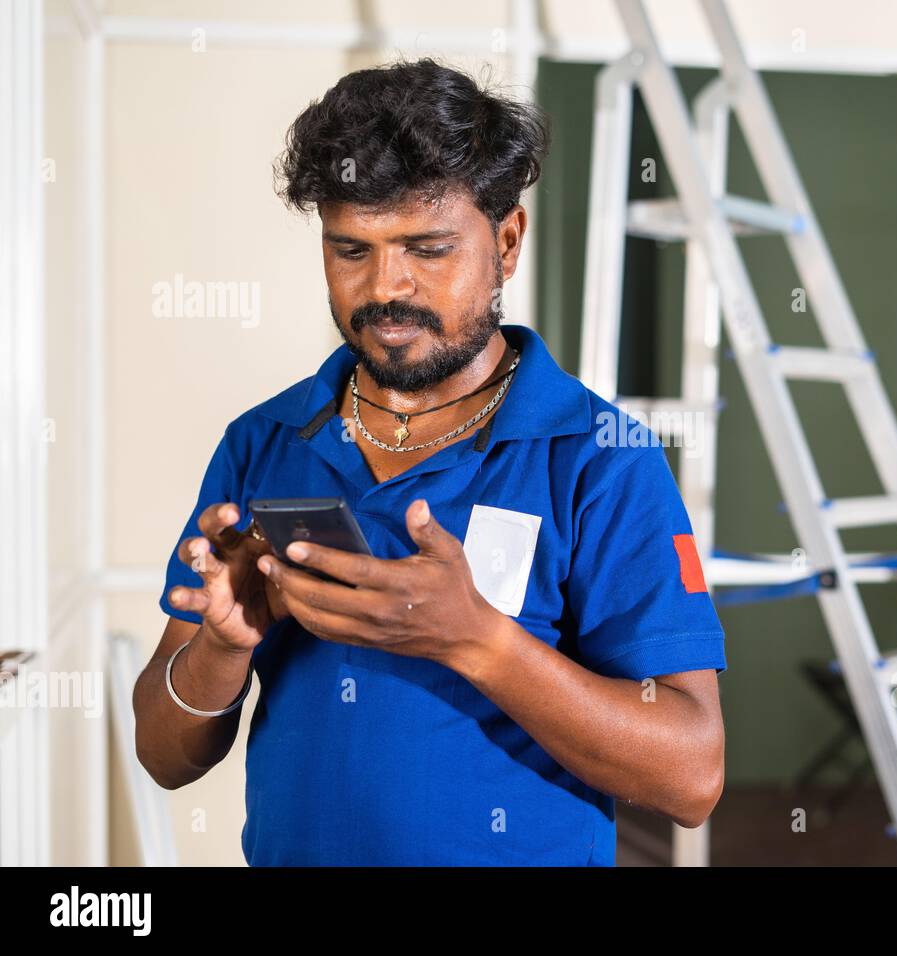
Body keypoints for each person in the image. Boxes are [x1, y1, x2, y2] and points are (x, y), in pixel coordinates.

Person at [132, 58, 726, 866]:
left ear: (506, 243)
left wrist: (476, 640)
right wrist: (222, 647)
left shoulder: (600, 459)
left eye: (428, 248)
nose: (386, 288)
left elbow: (692, 774)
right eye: (351, 250)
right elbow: (164, 757)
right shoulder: (263, 441)